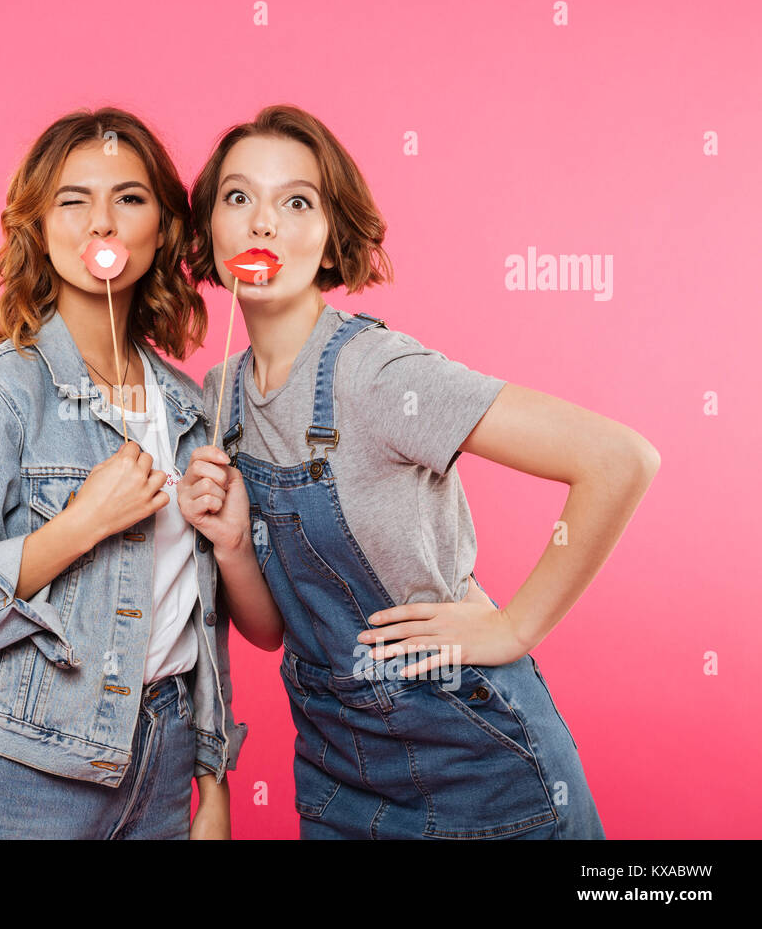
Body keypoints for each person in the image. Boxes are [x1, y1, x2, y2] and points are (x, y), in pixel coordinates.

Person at [180, 104, 658, 839]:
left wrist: (514, 627)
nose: (262, 222)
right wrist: (234, 545)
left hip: (477, 764)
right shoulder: (221, 400)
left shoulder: (375, 373)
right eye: (238, 197)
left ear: (333, 241)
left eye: (296, 201)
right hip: (339, 773)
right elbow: (273, 632)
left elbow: (618, 460)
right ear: (210, 231)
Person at [0, 107, 279, 839]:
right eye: (73, 201)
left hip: (162, 770)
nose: (102, 223)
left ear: (161, 226)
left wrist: (213, 783)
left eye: (128, 199)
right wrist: (82, 524)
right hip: (23, 777)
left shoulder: (192, 409)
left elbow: (201, 625)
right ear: (39, 226)